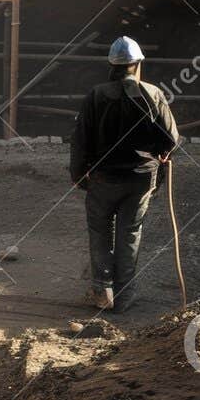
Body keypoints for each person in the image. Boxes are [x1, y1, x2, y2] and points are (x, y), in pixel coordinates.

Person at [68, 36, 179, 313]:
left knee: (100, 231)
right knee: (130, 233)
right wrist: (161, 153)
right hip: (140, 178)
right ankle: (125, 295)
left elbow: (80, 139)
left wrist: (78, 173)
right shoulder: (153, 94)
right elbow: (172, 138)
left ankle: (102, 290)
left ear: (112, 65)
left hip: (103, 178)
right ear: (137, 63)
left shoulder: (96, 95)